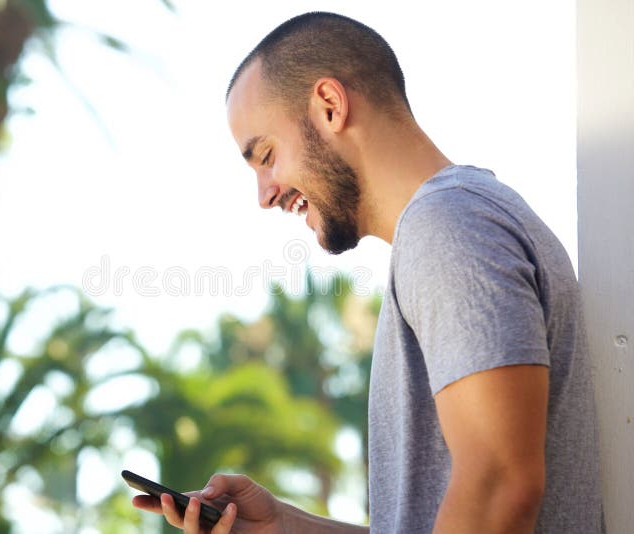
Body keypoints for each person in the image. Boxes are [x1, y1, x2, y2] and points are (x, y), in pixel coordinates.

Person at [133, 11, 603, 533]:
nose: (264, 195)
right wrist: (283, 526)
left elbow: (499, 489)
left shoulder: (449, 226)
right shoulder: (455, 225)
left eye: (266, 155)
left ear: (330, 106)